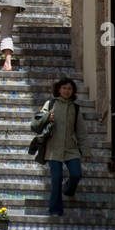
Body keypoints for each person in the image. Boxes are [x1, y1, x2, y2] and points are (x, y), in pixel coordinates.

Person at [32, 77, 92, 217]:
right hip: (53, 149)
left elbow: (81, 131)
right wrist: (47, 117)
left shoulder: (75, 108)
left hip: (71, 148)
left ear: (73, 91)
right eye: (64, 88)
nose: (66, 91)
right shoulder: (50, 103)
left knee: (76, 174)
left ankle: (69, 190)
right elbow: (37, 121)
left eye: (69, 88)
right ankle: (55, 210)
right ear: (59, 89)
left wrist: (86, 151)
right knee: (56, 179)